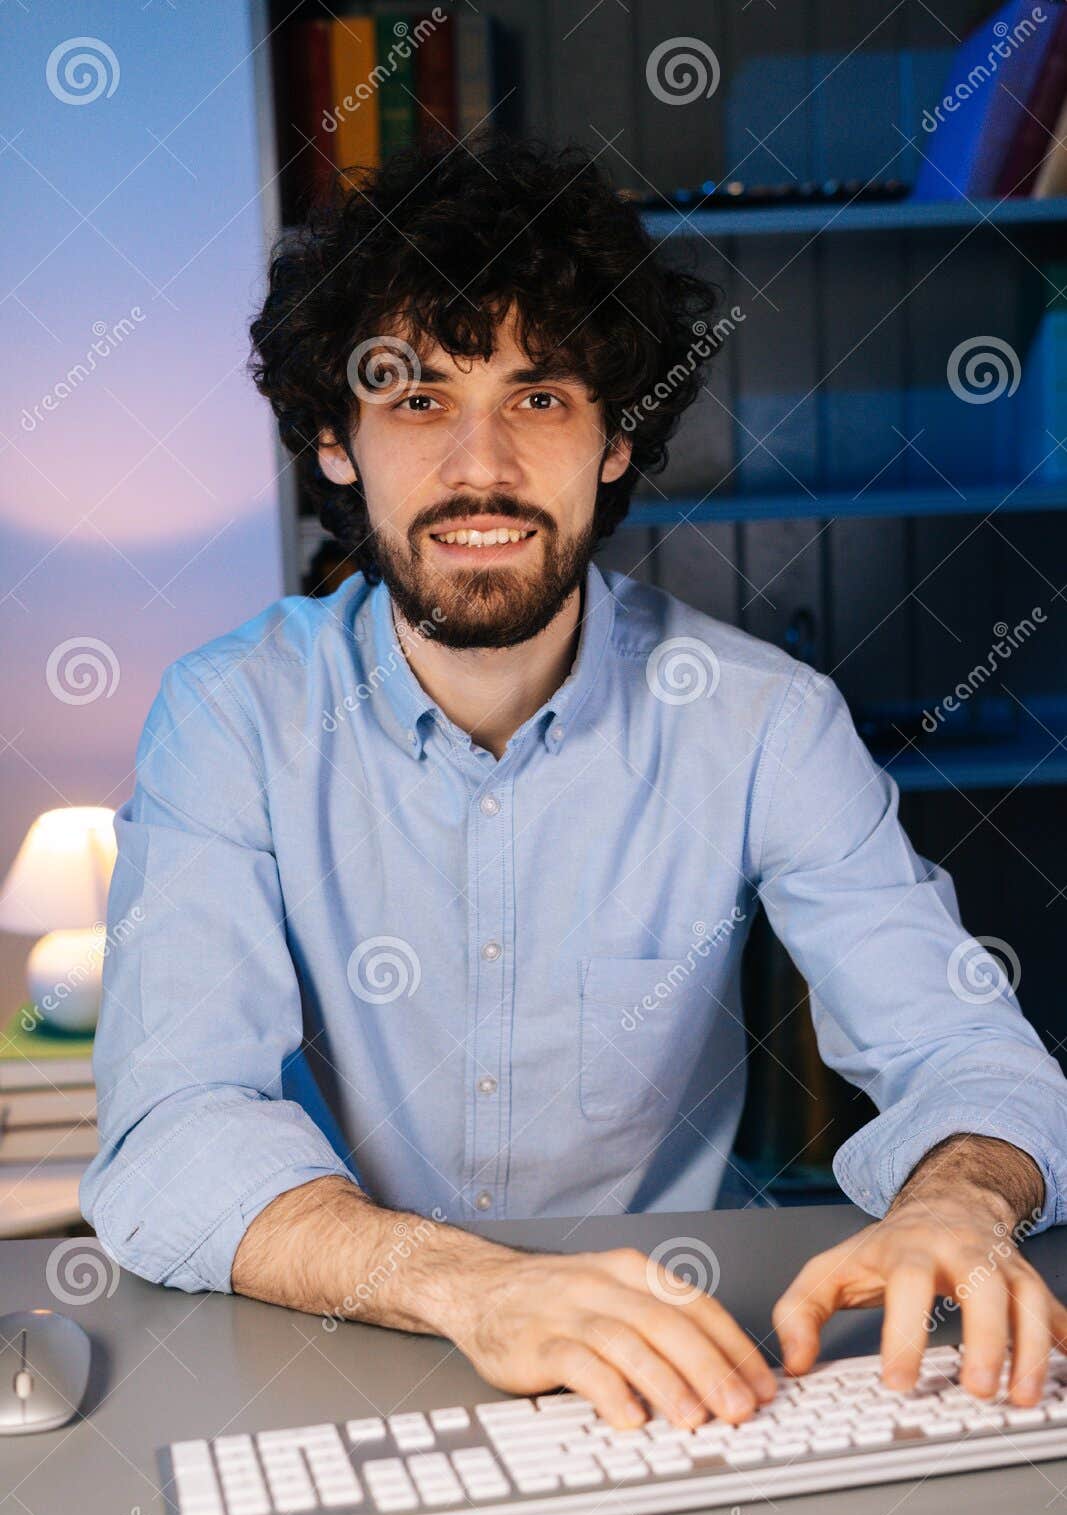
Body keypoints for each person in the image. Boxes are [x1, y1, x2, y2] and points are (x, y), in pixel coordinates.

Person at [83, 137, 1067, 1432]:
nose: (480, 466)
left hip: (677, 1367)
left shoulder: (763, 721)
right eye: (416, 398)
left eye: (539, 396)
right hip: (328, 1351)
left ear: (615, 439)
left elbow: (971, 1052)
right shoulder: (229, 717)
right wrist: (473, 1288)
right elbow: (172, 1124)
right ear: (335, 440)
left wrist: (958, 1198)